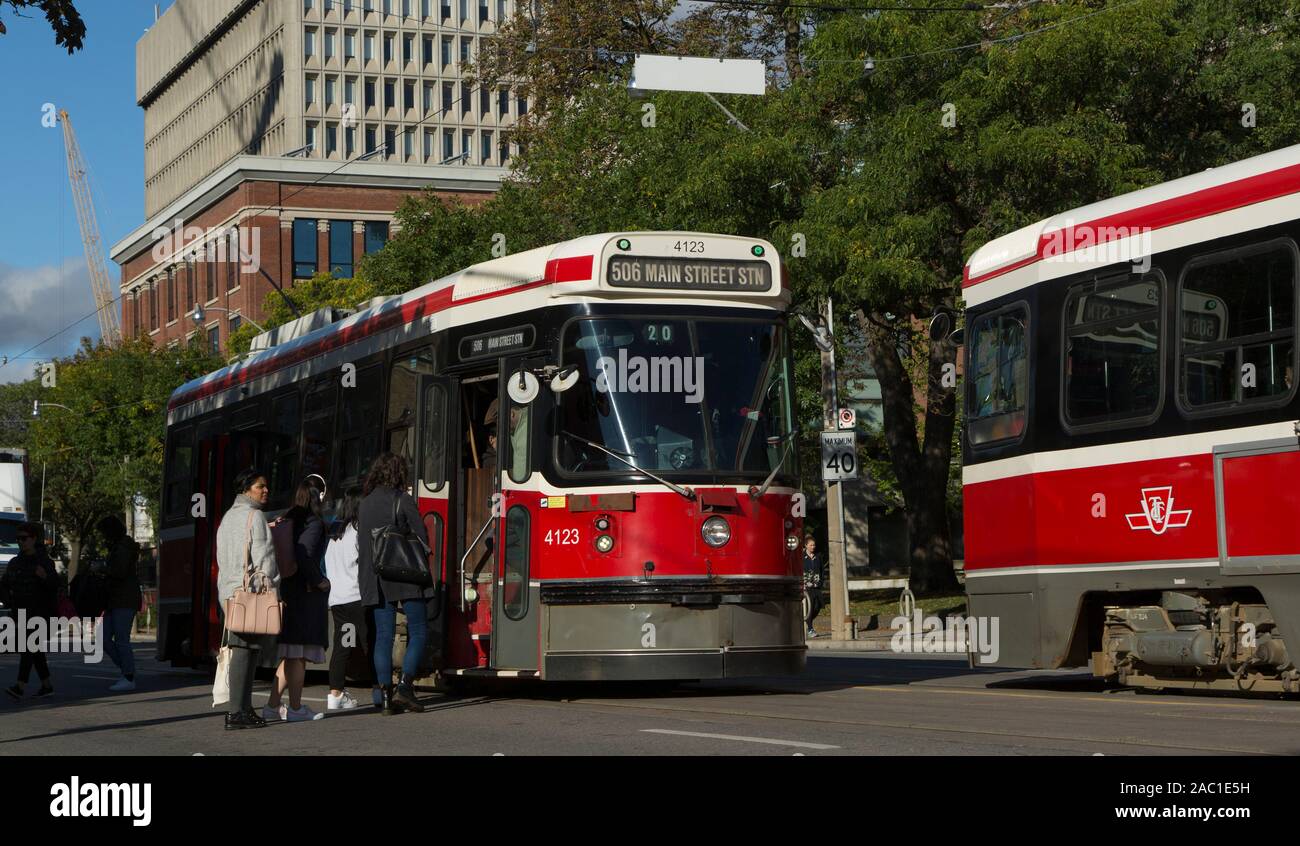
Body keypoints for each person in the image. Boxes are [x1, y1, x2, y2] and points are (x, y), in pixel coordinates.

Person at [358, 452, 431, 715]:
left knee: (383, 637)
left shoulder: (364, 504)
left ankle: (385, 696)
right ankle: (406, 687)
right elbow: (422, 540)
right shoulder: (403, 500)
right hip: (404, 574)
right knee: (420, 631)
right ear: (399, 474)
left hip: (375, 576)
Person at [214, 468, 280, 730]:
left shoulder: (228, 517)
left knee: (245, 650)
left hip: (230, 592)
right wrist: (273, 588)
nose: (265, 491)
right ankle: (236, 713)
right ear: (245, 489)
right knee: (244, 652)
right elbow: (265, 560)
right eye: (259, 486)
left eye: (266, 486)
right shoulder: (256, 516)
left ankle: (244, 708)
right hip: (252, 593)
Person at [264, 476, 330, 723]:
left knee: (290, 654)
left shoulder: (287, 519)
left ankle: (272, 705)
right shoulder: (312, 523)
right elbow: (305, 556)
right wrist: (320, 581)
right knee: (298, 656)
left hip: (288, 590)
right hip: (305, 594)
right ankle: (295, 707)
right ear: (317, 498)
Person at [324, 486, 381, 711]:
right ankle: (379, 690)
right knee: (372, 643)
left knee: (343, 645)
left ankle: (335, 694)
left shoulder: (336, 533)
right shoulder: (360, 531)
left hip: (338, 600)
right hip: (358, 597)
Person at [2, 523, 58, 700]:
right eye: (18, 539)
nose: (20, 542)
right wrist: (9, 601)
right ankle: (47, 686)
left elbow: (55, 585)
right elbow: (3, 585)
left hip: (40, 612)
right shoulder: (15, 562)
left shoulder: (44, 562)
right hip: (20, 612)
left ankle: (20, 686)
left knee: (28, 647)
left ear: (33, 539)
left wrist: (44, 577)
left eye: (24, 538)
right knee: (34, 650)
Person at [96, 515, 142, 693]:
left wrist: (101, 569)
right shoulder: (120, 546)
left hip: (123, 599)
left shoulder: (122, 548)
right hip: (116, 599)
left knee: (120, 639)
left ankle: (128, 675)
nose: (102, 537)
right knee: (105, 638)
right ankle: (126, 671)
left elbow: (119, 571)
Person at [802, 535, 824, 638]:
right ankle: (810, 628)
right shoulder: (802, 557)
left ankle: (807, 620)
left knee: (818, 606)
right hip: (807, 587)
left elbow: (822, 571)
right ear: (806, 545)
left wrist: (821, 582)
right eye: (811, 545)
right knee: (810, 608)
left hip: (817, 586)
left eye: (814, 545)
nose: (813, 547)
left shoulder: (818, 556)